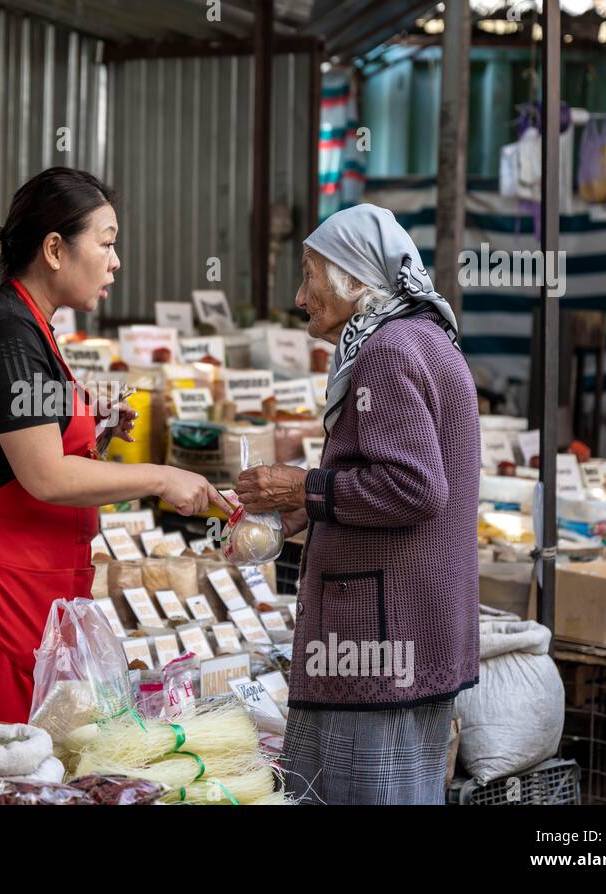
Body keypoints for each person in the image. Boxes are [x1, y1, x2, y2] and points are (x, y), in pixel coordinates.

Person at [0, 167, 231, 723]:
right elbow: (46, 477)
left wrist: (89, 427)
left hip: (31, 586)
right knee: (15, 768)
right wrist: (161, 477)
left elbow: (18, 442)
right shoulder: (5, 332)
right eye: (106, 244)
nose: (116, 261)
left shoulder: (29, 326)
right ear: (55, 249)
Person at [234, 204, 480, 805]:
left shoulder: (388, 354)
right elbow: (393, 477)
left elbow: (415, 487)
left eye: (310, 276)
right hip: (398, 634)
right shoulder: (418, 339)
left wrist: (307, 489)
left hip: (380, 641)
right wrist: (315, 505)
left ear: (352, 276)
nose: (299, 296)